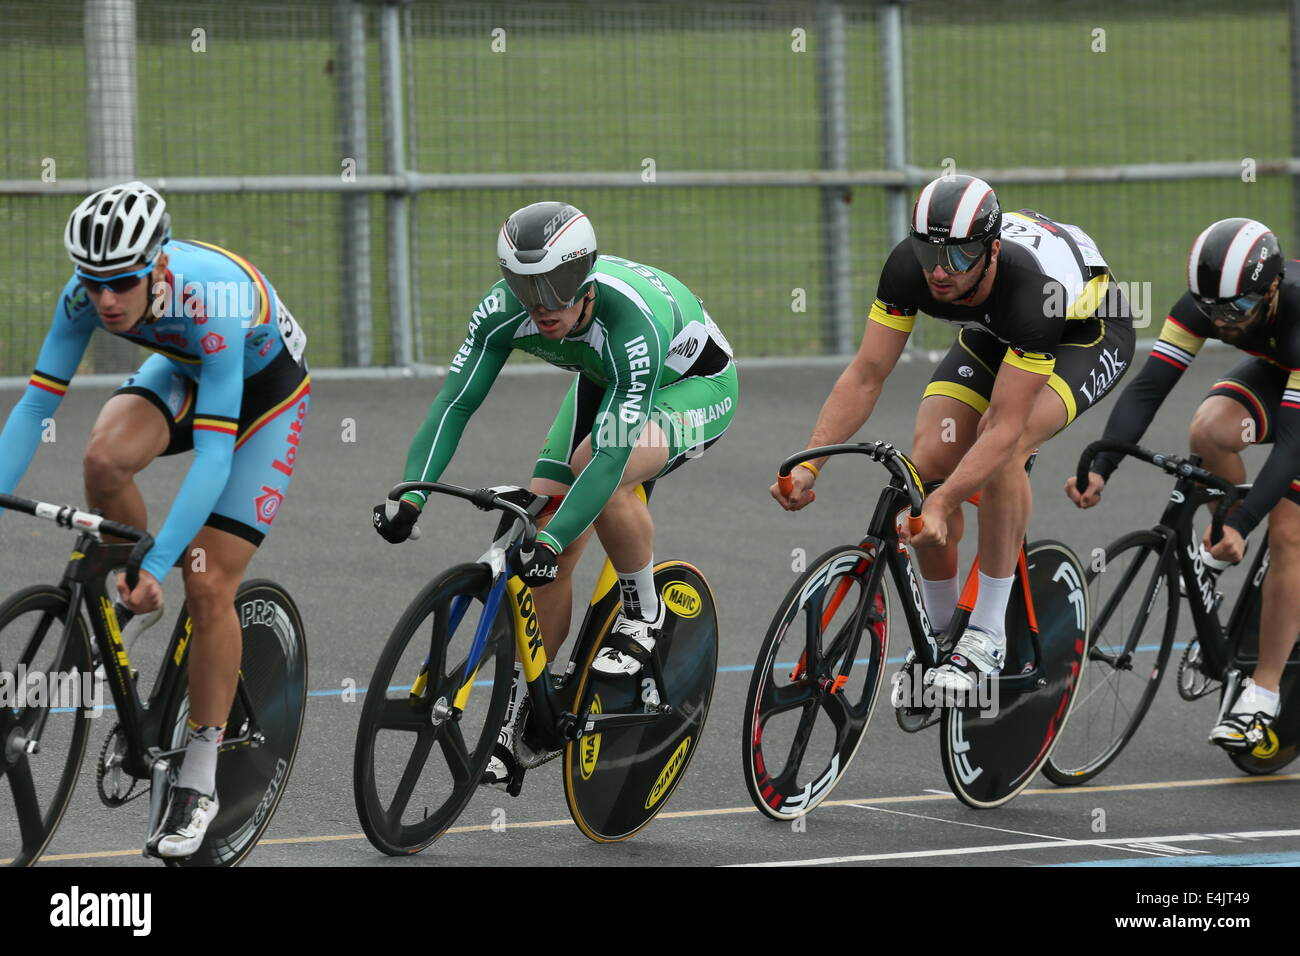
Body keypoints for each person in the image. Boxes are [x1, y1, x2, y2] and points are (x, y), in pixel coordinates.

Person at [374, 201, 738, 785]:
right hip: (605, 380)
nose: (542, 304)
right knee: (544, 536)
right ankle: (525, 719)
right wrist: (412, 496)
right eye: (525, 285)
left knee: (600, 470)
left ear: (585, 277)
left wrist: (561, 530)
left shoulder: (631, 324)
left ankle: (644, 613)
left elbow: (614, 453)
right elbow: (454, 403)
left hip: (693, 386)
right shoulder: (501, 313)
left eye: (558, 285)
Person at [0, 182, 311, 857]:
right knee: (104, 460)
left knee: (207, 583)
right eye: (93, 281)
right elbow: (33, 408)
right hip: (182, 365)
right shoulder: (83, 298)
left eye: (122, 282)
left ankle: (200, 775)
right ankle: (134, 597)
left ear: (159, 268)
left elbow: (214, 456)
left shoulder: (216, 301)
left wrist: (167, 557)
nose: (105, 299)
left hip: (260, 396)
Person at [773, 174, 1135, 699]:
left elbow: (1006, 426)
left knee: (1006, 449)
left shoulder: (1031, 287)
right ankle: (941, 635)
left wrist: (944, 503)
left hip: (1083, 331)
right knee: (929, 460)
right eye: (929, 252)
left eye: (960, 257)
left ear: (990, 250)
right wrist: (809, 465)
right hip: (994, 326)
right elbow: (866, 374)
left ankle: (986, 633)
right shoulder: (909, 268)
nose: (940, 272)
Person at [1068, 218, 1300, 750]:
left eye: (1234, 311)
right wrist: (1102, 465)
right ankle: (1217, 556)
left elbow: (1292, 442)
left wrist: (1245, 520)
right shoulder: (1214, 301)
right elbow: (1150, 386)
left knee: (1288, 530)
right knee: (1210, 429)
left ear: (1269, 290)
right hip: (1279, 367)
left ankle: (1262, 695)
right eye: (1211, 310)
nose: (1222, 322)